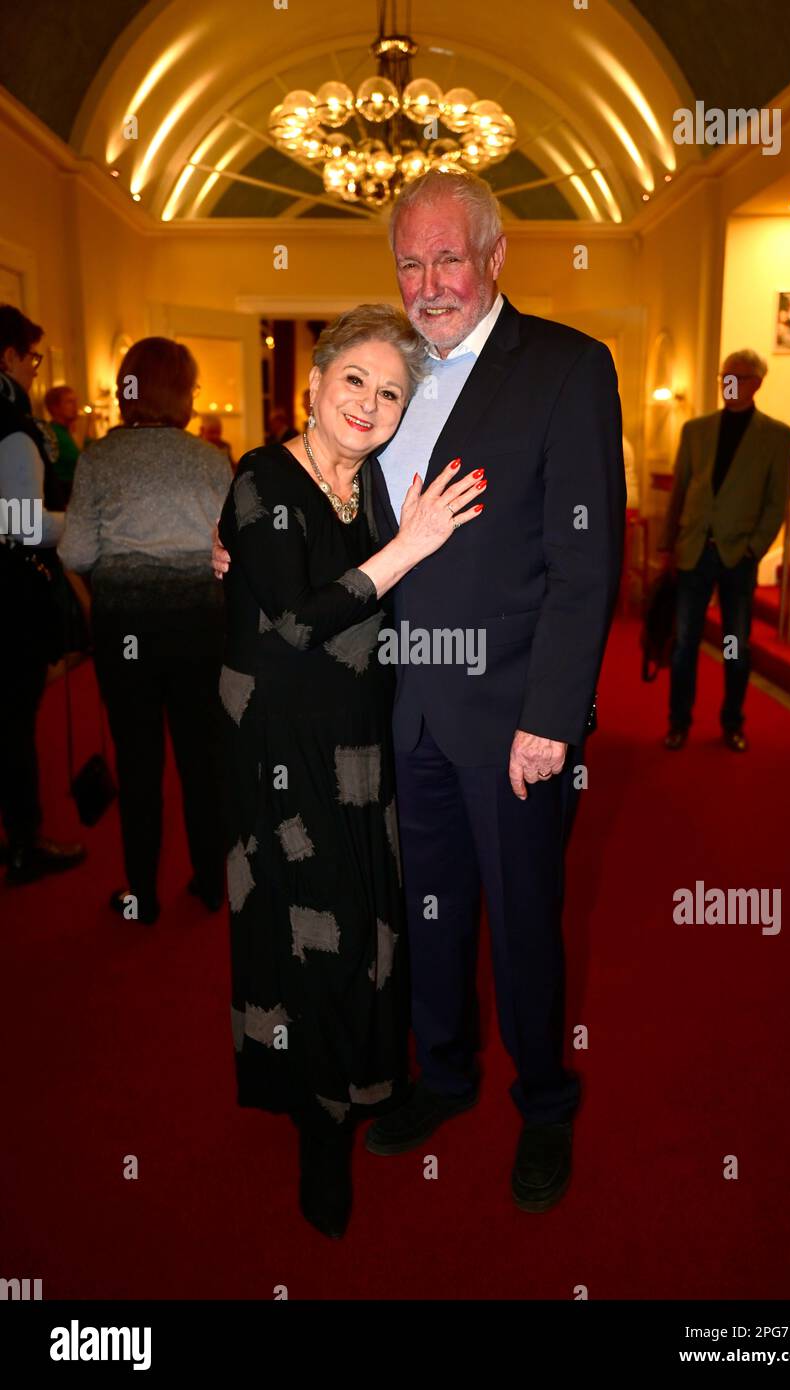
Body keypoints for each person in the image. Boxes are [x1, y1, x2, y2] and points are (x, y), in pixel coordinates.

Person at [215, 169, 625, 1215]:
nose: (430, 280)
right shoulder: (387, 372)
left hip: (511, 718)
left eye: (449, 257)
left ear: (495, 258)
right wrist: (243, 552)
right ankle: (442, 1076)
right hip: (393, 712)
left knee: (525, 917)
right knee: (424, 914)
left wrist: (552, 715)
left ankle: (543, 1100)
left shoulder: (570, 369)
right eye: (411, 260)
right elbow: (330, 508)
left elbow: (588, 564)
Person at [218, 303, 486, 1239]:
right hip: (284, 757)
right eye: (354, 382)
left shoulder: (369, 490)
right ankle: (317, 1127)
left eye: (390, 392)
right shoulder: (260, 478)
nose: (369, 403)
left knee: (367, 920)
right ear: (314, 384)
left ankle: (359, 1081)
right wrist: (411, 548)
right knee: (306, 933)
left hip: (362, 748)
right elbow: (294, 618)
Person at [59, 337, 232, 924]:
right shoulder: (210, 460)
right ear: (183, 393)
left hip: (125, 629)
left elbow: (77, 549)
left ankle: (142, 895)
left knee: (138, 763)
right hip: (198, 627)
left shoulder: (100, 460)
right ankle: (211, 883)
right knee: (201, 760)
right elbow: (229, 552)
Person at [658, 348, 790, 751]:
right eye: (724, 376)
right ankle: (678, 721)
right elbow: (680, 490)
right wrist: (667, 546)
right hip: (694, 551)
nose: (728, 383)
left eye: (737, 377)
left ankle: (732, 722)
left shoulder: (777, 436)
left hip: (738, 557)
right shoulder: (696, 430)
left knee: (736, 646)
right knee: (685, 644)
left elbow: (776, 500)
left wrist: (755, 547)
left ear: (756, 384)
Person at [0, 305, 86, 884]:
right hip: (9, 592)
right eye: (31, 357)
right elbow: (20, 524)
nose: (34, 370)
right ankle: (25, 843)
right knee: (13, 720)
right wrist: (75, 524)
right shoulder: (11, 427)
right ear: (8, 356)